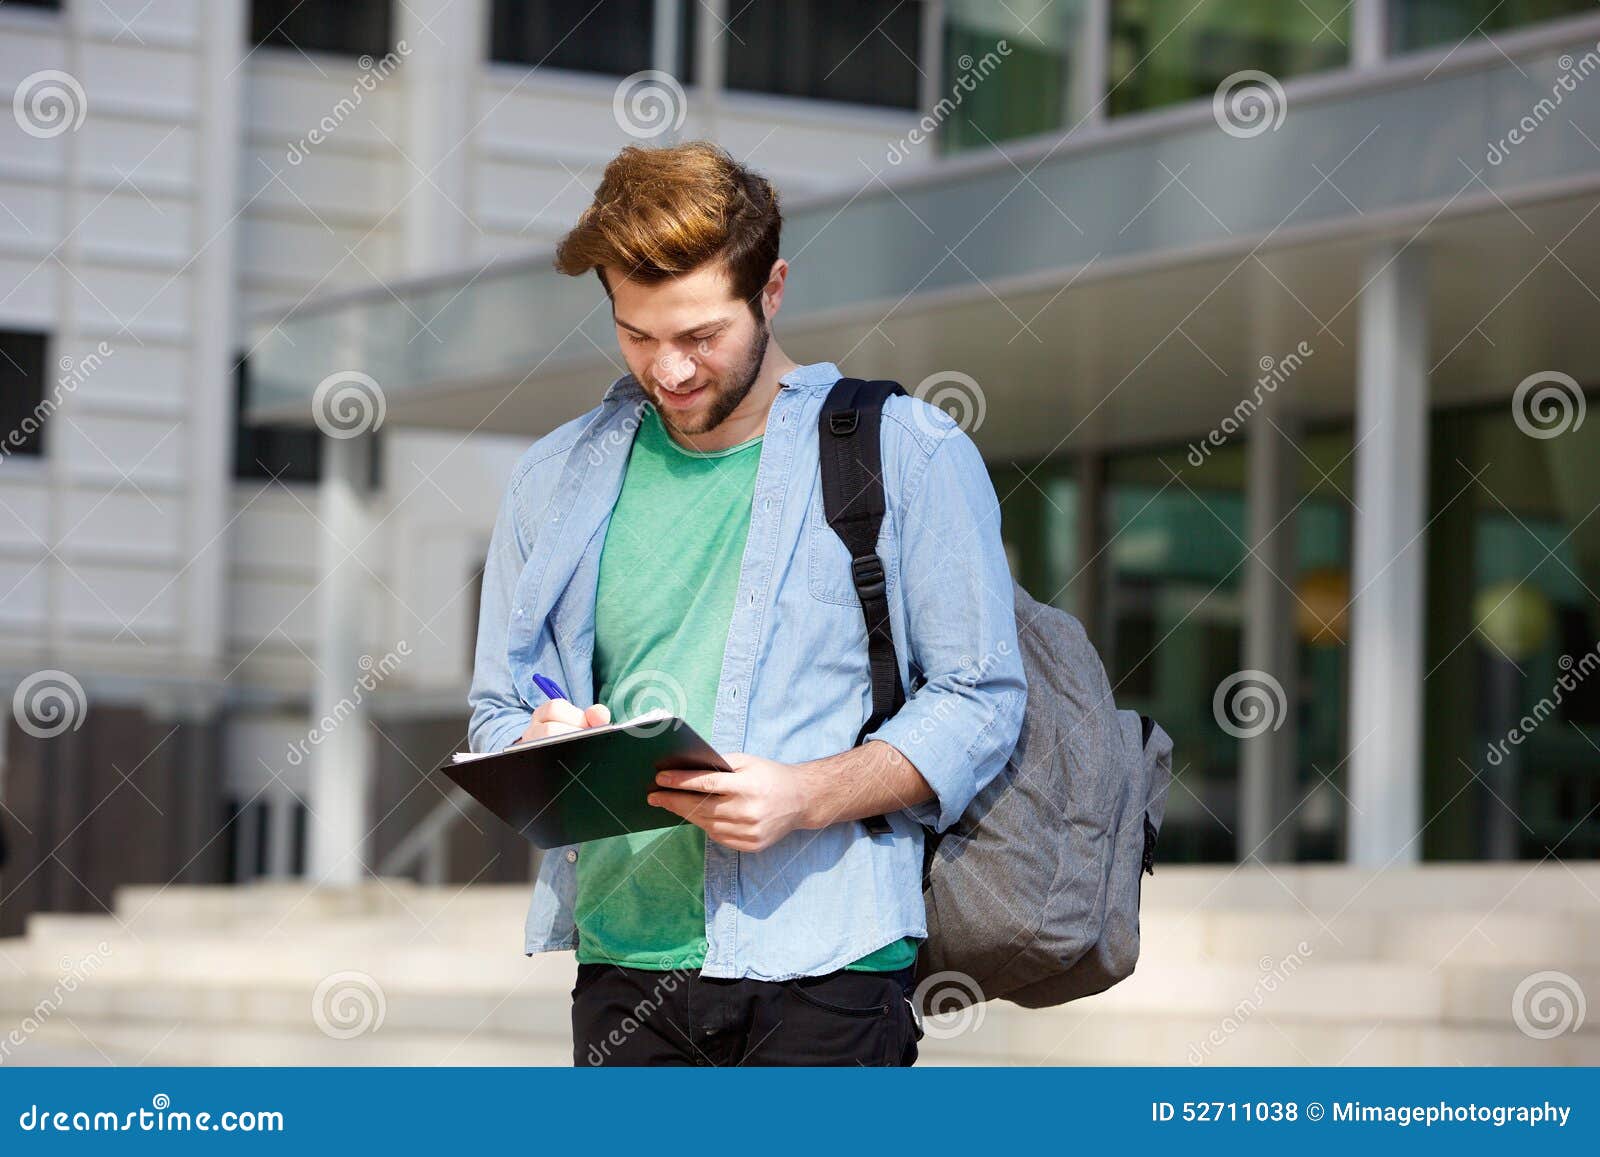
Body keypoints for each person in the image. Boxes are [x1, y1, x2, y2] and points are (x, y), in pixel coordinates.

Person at [468, 141, 1024, 1066]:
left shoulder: (911, 452)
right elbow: (494, 711)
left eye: (699, 335)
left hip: (828, 966)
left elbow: (981, 697)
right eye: (637, 334)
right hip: (621, 968)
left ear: (772, 290)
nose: (670, 370)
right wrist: (539, 745)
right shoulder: (551, 479)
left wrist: (803, 795)